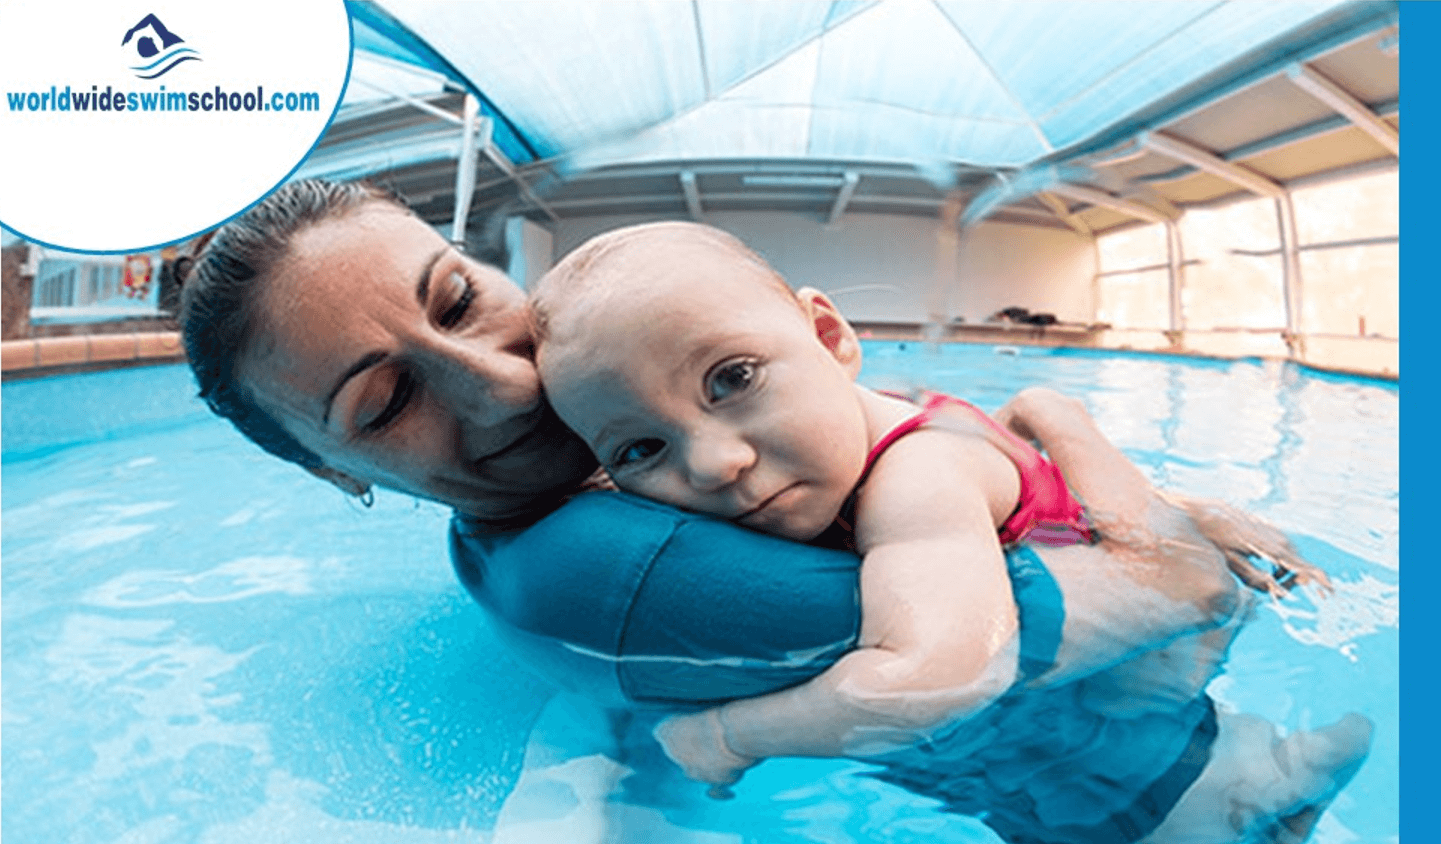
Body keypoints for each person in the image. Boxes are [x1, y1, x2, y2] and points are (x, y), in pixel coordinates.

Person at [179, 180, 1367, 844]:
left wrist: (1054, 435)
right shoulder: (618, 569)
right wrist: (1091, 450)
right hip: (1136, 791)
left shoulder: (568, 485)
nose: (498, 379)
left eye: (459, 296)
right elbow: (1185, 588)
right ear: (339, 476)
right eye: (386, 403)